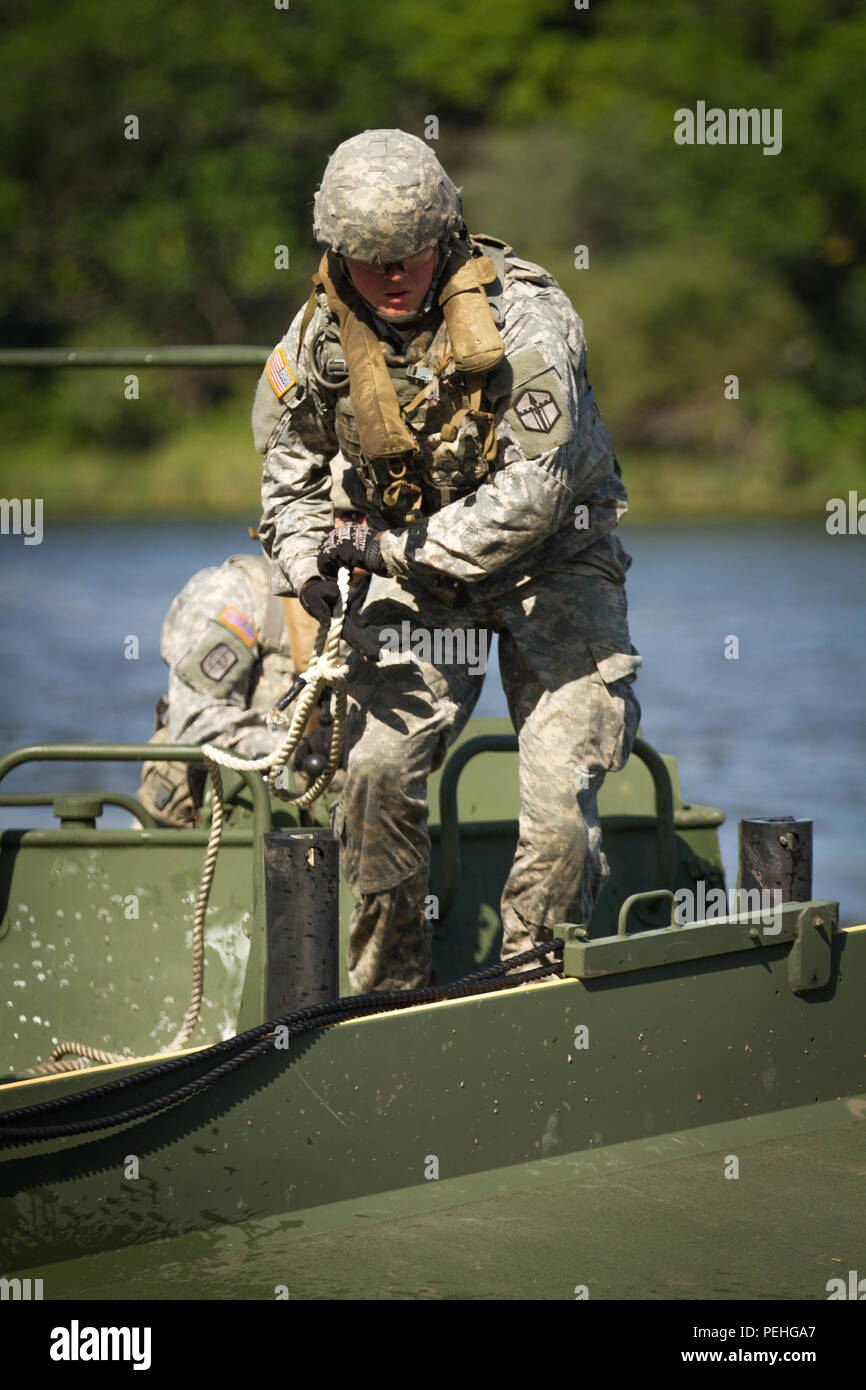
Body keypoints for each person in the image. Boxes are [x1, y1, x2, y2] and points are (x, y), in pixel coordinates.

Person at [254, 128, 641, 993]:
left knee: (558, 814)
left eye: (413, 254)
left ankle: (537, 990)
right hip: (423, 584)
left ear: (448, 234)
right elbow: (288, 475)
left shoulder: (530, 320)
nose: (394, 275)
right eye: (370, 258)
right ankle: (388, 997)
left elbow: (537, 494)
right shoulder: (320, 339)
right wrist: (307, 563)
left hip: (554, 568)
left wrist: (390, 549)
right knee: (376, 771)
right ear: (337, 253)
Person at [137, 550, 326, 826]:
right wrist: (297, 749)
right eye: (345, 515)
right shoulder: (241, 593)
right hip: (218, 818)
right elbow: (197, 726)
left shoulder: (380, 593)